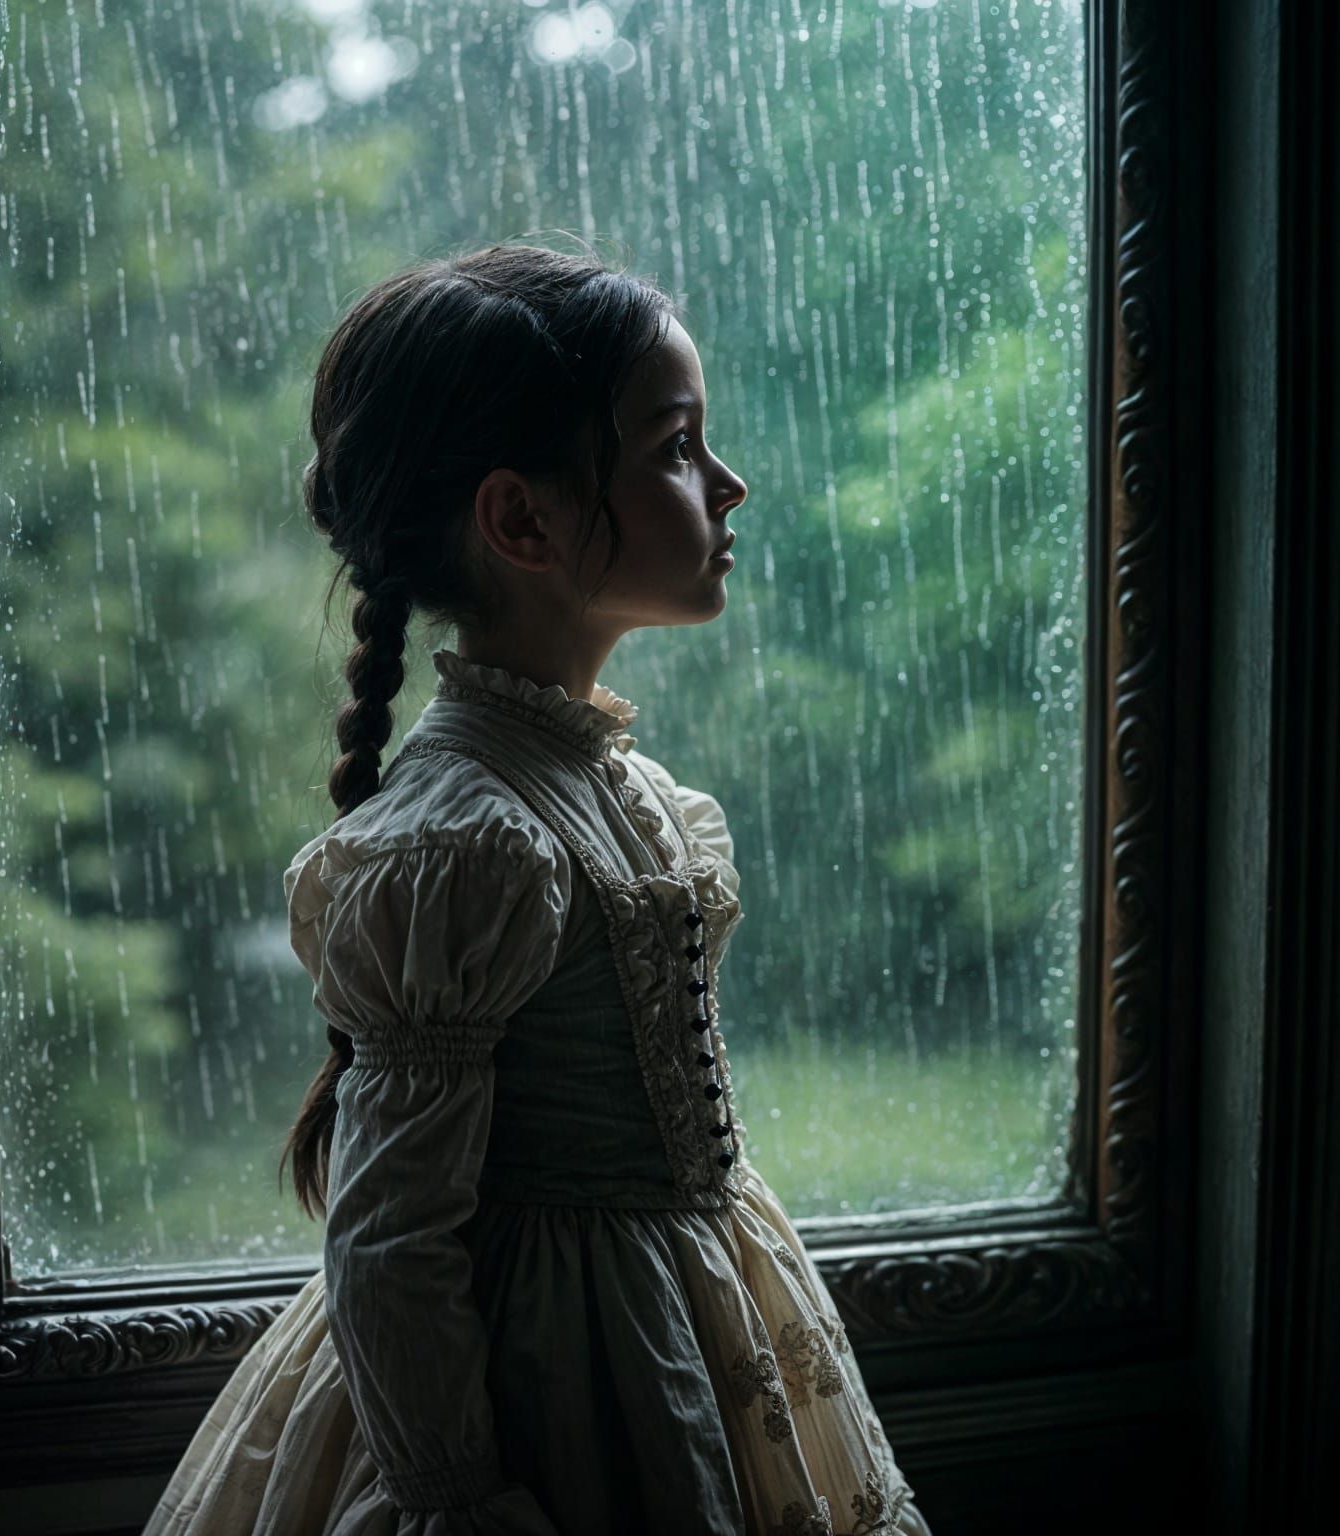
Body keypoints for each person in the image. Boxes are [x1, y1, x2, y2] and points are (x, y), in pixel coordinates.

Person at [142, 241, 932, 1536]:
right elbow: (391, 1239)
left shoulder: (625, 793)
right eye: (675, 446)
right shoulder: (469, 843)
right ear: (522, 521)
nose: (729, 482)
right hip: (560, 1376)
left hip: (683, 1322)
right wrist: (460, 1500)